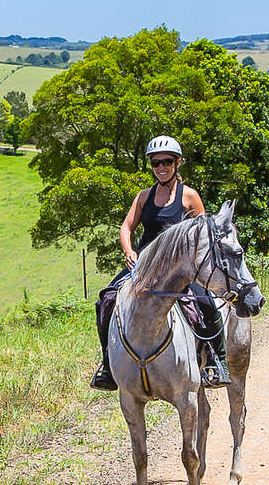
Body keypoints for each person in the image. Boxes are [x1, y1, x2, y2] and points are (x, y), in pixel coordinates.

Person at [90, 135, 230, 391]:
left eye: (166, 161)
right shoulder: (144, 196)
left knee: (207, 303)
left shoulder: (190, 196)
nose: (161, 167)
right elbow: (126, 227)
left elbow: (203, 233)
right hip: (143, 266)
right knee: (106, 300)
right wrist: (129, 251)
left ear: (177, 163)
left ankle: (217, 361)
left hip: (180, 269)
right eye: (156, 163)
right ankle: (108, 365)